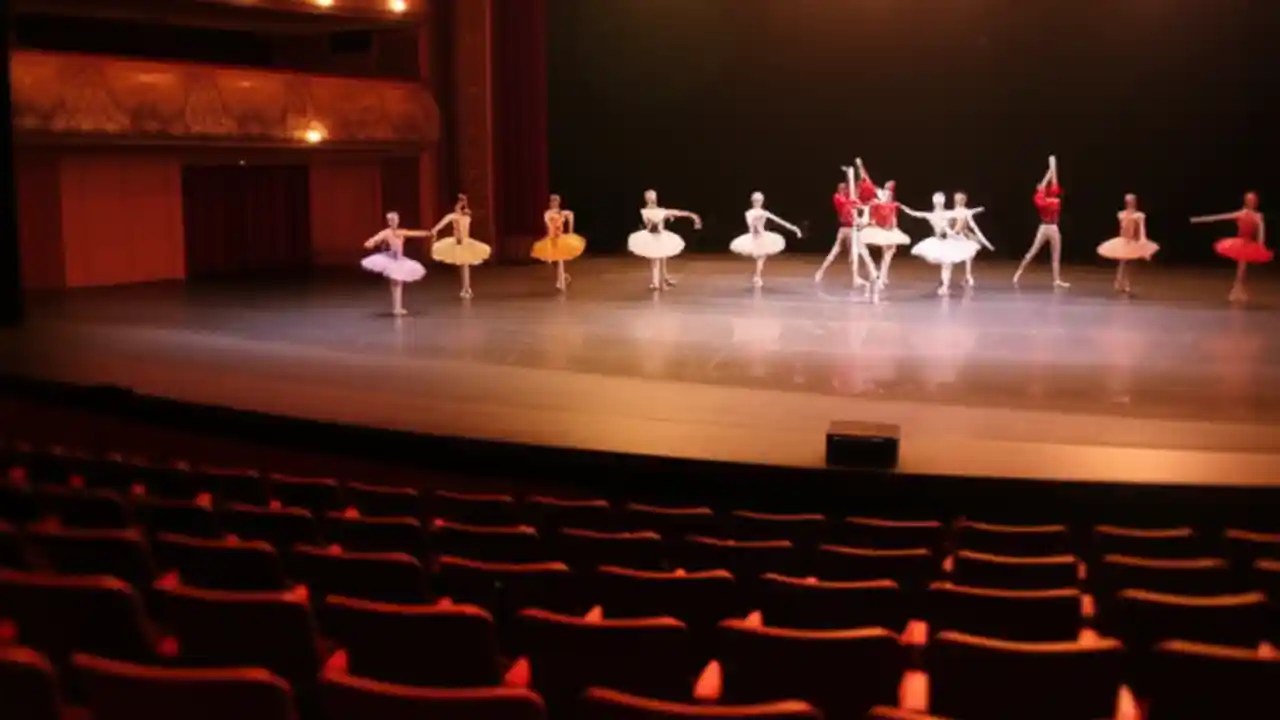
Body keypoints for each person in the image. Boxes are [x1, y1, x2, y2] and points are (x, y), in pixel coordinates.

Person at [1191, 191, 1271, 303]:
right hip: (1240, 243)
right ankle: (1236, 291)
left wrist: (1261, 244)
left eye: (1253, 200)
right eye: (1249, 200)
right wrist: (1200, 219)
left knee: (1242, 268)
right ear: (1246, 201)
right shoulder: (1241, 213)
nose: (1251, 202)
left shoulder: (1258, 216)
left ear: (1256, 202)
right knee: (1242, 267)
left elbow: (1261, 228)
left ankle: (1238, 290)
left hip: (1249, 243)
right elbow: (1221, 217)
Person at [903, 192, 981, 296]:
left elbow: (915, 213)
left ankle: (945, 286)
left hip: (946, 241)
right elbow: (915, 213)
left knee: (946, 264)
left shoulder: (941, 214)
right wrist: (904, 208)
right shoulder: (941, 214)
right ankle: (945, 285)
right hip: (940, 241)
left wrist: (904, 208)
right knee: (946, 265)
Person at [815, 165, 877, 287]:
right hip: (844, 229)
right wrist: (850, 175)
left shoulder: (849, 198)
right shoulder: (838, 198)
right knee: (836, 251)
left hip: (852, 229)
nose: (844, 190)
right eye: (843, 189)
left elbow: (855, 196)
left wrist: (850, 174)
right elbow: (849, 202)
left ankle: (867, 275)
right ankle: (820, 272)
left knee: (859, 252)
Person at [627, 189, 701, 290]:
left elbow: (671, 214)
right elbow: (676, 213)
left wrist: (690, 216)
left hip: (652, 237)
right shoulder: (659, 211)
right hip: (657, 237)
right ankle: (659, 283)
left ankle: (660, 281)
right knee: (659, 260)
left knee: (657, 259)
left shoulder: (645, 211)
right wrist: (693, 216)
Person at [1013, 155, 1069, 288]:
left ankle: (1056, 280)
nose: (1042, 186)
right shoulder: (1038, 198)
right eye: (1040, 186)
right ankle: (1018, 272)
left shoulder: (1053, 194)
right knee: (1033, 251)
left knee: (1056, 255)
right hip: (1044, 227)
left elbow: (1054, 178)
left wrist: (1052, 165)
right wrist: (1048, 172)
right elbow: (1044, 184)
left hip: (1054, 227)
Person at [360, 210, 428, 316]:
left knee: (398, 283)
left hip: (400, 260)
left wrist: (427, 233)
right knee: (396, 283)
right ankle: (396, 308)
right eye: (391, 220)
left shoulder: (401, 231)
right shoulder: (386, 232)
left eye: (395, 220)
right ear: (389, 222)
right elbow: (375, 239)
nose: (394, 222)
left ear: (398, 220)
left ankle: (397, 307)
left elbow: (413, 233)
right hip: (390, 260)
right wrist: (370, 242)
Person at [730, 192, 801, 287]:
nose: (758, 202)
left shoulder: (763, 212)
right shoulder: (749, 213)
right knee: (760, 257)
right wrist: (756, 221)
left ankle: (757, 276)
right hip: (754, 237)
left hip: (763, 237)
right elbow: (750, 226)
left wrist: (794, 228)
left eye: (760, 201)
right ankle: (757, 276)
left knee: (761, 258)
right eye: (757, 201)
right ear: (753, 201)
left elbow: (779, 221)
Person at [429, 194, 492, 299]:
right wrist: (434, 230)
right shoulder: (452, 216)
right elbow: (442, 224)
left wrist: (464, 203)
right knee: (463, 265)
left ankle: (466, 288)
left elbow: (467, 213)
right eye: (459, 203)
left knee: (465, 265)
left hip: (466, 242)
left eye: (462, 204)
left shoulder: (467, 216)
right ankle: (465, 288)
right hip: (457, 243)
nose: (460, 205)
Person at [858, 176, 912, 299]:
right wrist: (863, 223)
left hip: (889, 231)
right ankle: (876, 272)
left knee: (888, 254)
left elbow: (893, 219)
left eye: (888, 194)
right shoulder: (875, 204)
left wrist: (894, 230)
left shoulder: (891, 205)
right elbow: (869, 218)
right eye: (884, 194)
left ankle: (882, 277)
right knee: (862, 246)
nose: (886, 196)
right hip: (879, 230)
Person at [1097, 193, 1159, 295]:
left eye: (1131, 201)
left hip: (1132, 240)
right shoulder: (1121, 214)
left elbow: (1141, 229)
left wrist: (1142, 240)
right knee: (1123, 261)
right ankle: (1120, 282)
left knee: (1129, 263)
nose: (1129, 203)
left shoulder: (1139, 215)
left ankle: (1125, 282)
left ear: (1135, 202)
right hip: (1122, 240)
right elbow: (1122, 228)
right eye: (1128, 201)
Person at [531, 194, 586, 291]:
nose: (554, 203)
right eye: (552, 201)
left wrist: (570, 230)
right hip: (552, 239)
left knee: (560, 260)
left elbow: (571, 215)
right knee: (552, 262)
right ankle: (563, 277)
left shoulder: (561, 212)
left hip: (560, 239)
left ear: (558, 202)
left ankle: (561, 283)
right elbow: (547, 222)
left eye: (556, 201)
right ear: (550, 203)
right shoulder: (548, 213)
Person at [950, 191, 994, 287]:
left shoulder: (964, 212)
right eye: (956, 199)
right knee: (953, 257)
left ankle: (968, 276)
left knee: (967, 256)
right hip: (955, 235)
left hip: (961, 235)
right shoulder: (954, 212)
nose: (956, 201)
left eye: (958, 199)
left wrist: (984, 241)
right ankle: (964, 276)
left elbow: (974, 227)